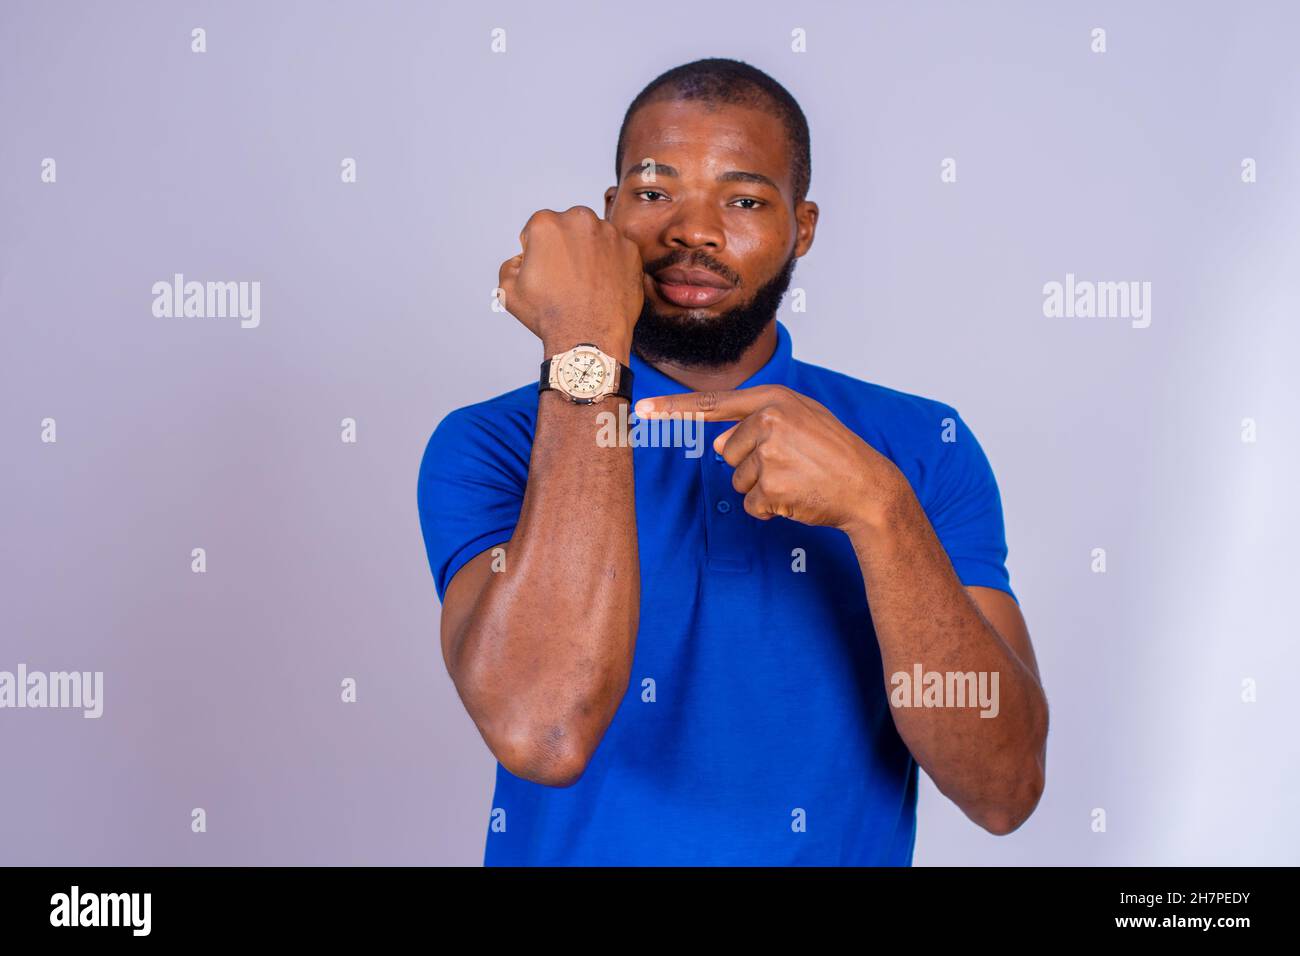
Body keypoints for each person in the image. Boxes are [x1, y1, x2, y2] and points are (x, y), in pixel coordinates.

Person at [418, 57, 1048, 865]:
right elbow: (545, 731)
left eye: (744, 199)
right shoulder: (491, 444)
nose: (694, 231)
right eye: (654, 193)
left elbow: (1004, 791)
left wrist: (878, 510)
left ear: (803, 228)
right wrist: (583, 348)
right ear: (610, 215)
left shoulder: (922, 445)